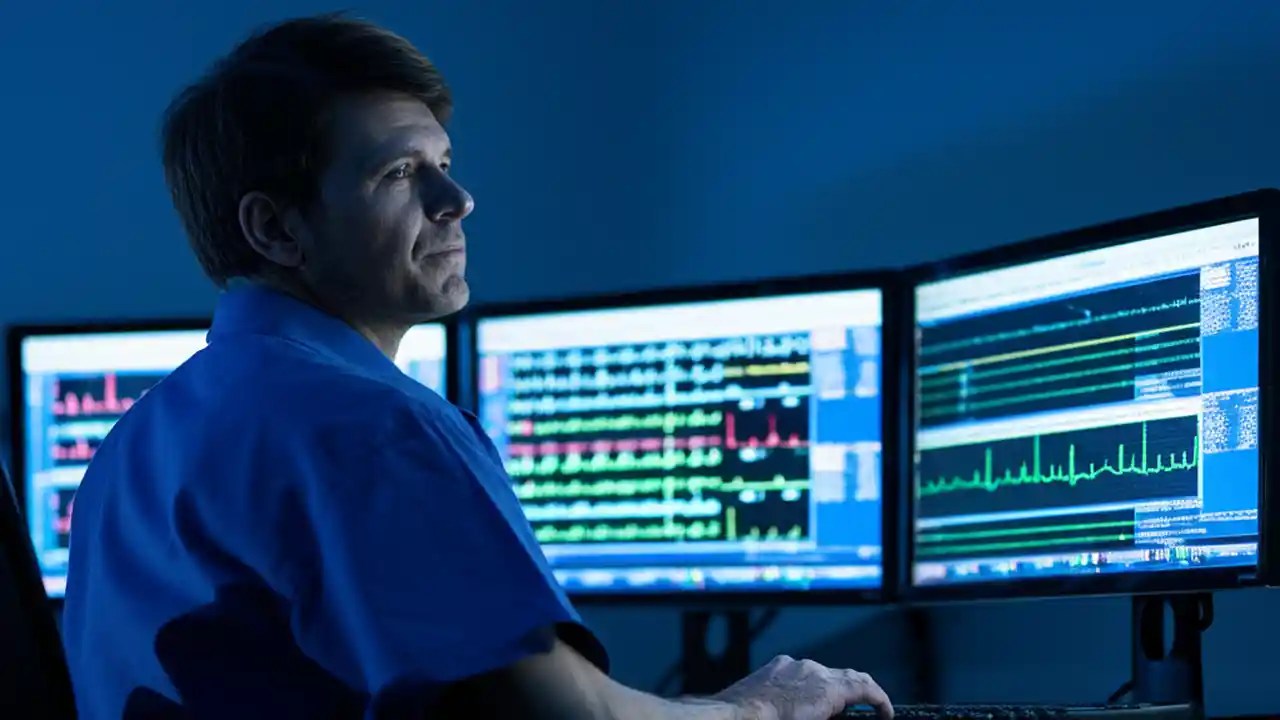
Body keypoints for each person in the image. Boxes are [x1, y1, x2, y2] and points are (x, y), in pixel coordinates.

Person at [60, 12, 895, 720]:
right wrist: (750, 710)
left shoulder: (133, 443)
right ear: (277, 230)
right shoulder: (370, 425)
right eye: (398, 174)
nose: (456, 202)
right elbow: (551, 711)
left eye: (444, 166)